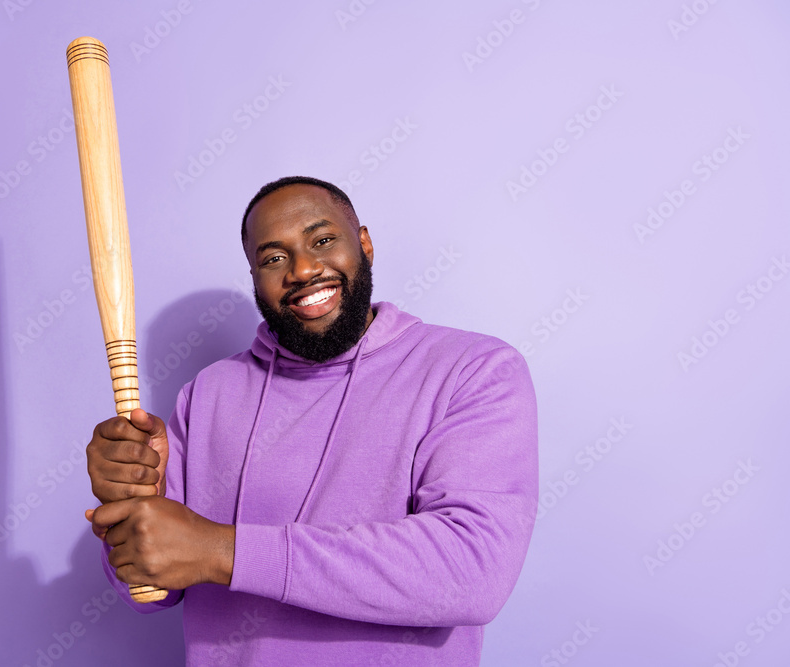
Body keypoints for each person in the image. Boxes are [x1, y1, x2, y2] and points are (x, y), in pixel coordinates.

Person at [85, 176, 538, 666]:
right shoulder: (208, 393)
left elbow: (471, 573)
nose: (302, 269)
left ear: (363, 244)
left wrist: (220, 551)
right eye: (273, 258)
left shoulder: (472, 369)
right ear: (254, 276)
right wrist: (134, 501)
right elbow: (148, 589)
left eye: (322, 240)